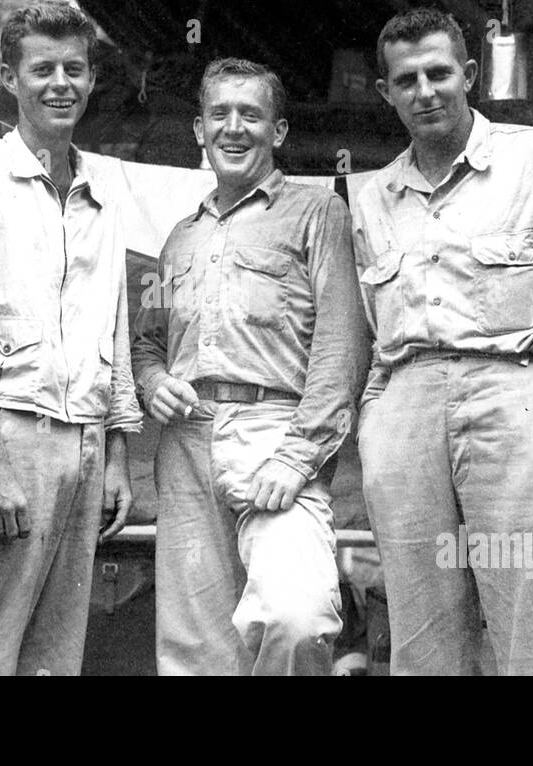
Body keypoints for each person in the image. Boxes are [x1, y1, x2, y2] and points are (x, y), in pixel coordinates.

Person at [351, 7, 533, 675]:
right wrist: (376, 424)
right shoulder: (372, 198)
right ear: (385, 92)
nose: (425, 91)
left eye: (439, 72)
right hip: (407, 417)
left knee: (532, 636)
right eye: (407, 79)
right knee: (421, 643)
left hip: (518, 402)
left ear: (470, 74)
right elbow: (373, 333)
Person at [0, 2, 141, 676]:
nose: (60, 84)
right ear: (9, 79)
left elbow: (116, 325)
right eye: (41, 69)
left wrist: (116, 457)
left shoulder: (105, 189)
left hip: (84, 442)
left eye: (74, 69)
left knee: (52, 660)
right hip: (8, 439)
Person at [132, 58, 368, 675]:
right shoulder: (178, 237)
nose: (234, 128)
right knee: (194, 652)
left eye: (251, 115)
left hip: (276, 435)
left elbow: (342, 346)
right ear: (198, 130)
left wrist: (297, 456)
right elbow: (147, 343)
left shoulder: (319, 214)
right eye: (220, 114)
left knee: (297, 619)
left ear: (279, 131)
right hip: (185, 445)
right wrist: (154, 383)